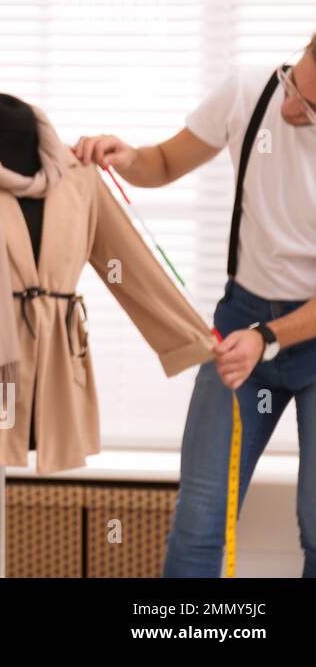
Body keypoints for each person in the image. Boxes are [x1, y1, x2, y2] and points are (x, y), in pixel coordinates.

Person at [73, 33, 316, 577]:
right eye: (295, 82)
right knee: (201, 519)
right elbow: (161, 163)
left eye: (310, 109)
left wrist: (270, 339)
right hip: (239, 325)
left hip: (305, 336)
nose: (292, 106)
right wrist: (126, 155)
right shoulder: (249, 92)